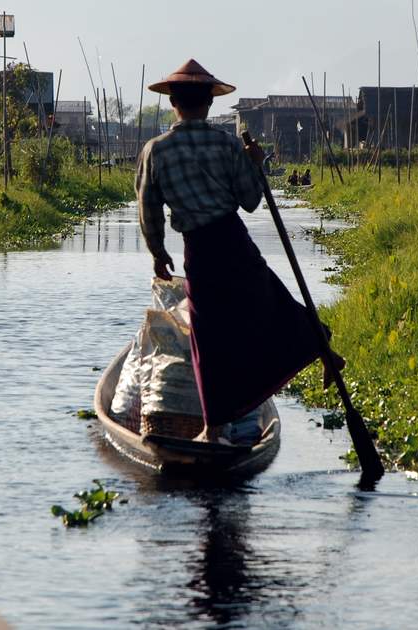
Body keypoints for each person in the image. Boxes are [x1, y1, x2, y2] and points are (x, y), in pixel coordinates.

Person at [135, 59, 344, 444]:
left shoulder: (155, 150)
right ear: (208, 104)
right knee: (269, 302)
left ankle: (214, 429)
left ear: (173, 104)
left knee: (208, 337)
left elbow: (148, 206)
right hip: (233, 238)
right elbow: (249, 201)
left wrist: (156, 250)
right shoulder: (227, 144)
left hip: (199, 248)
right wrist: (256, 165)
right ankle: (323, 349)